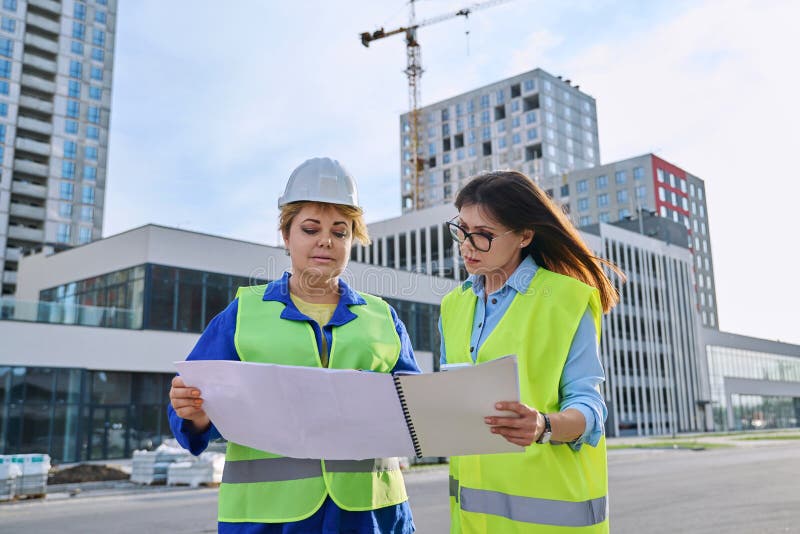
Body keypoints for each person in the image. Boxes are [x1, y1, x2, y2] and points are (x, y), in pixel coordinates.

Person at [168, 157, 419, 534]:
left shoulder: (383, 318)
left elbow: (415, 411)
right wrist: (194, 413)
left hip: (370, 516)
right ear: (286, 236)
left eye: (340, 231)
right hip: (267, 520)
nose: (326, 240)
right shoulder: (243, 315)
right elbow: (193, 408)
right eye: (310, 228)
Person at [439, 170, 623, 533]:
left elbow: (590, 410)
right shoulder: (452, 305)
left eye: (483, 235)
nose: (467, 244)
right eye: (461, 229)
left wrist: (544, 425)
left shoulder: (566, 300)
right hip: (473, 523)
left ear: (525, 235)